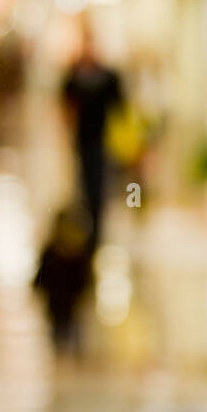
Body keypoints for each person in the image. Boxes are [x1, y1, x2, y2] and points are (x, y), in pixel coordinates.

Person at [61, 27, 123, 249]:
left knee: (100, 182)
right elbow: (66, 105)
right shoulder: (74, 74)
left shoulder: (108, 76)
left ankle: (97, 227)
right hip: (82, 138)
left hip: (103, 138)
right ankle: (88, 225)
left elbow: (120, 106)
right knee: (85, 181)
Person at [33, 207, 92, 355]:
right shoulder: (51, 251)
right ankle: (61, 360)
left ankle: (72, 361)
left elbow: (85, 278)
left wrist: (83, 294)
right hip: (56, 304)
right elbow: (41, 276)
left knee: (73, 335)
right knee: (58, 336)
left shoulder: (79, 252)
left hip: (72, 305)